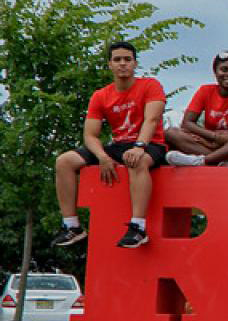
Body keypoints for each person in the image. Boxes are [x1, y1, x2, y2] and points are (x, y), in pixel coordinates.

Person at [53, 41, 168, 249]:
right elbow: (90, 135)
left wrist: (139, 146)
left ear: (135, 64)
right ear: (110, 65)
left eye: (127, 59)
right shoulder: (101, 95)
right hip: (118, 145)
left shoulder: (150, 85)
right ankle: (72, 226)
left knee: (135, 160)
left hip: (150, 143)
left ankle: (138, 227)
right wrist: (103, 157)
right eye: (117, 60)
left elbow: (152, 120)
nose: (122, 64)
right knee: (64, 161)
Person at [164, 51, 228, 168]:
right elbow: (187, 123)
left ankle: (203, 161)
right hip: (211, 142)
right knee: (171, 133)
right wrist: (214, 137)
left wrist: (227, 139)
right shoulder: (205, 90)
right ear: (215, 72)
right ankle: (225, 162)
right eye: (224, 69)